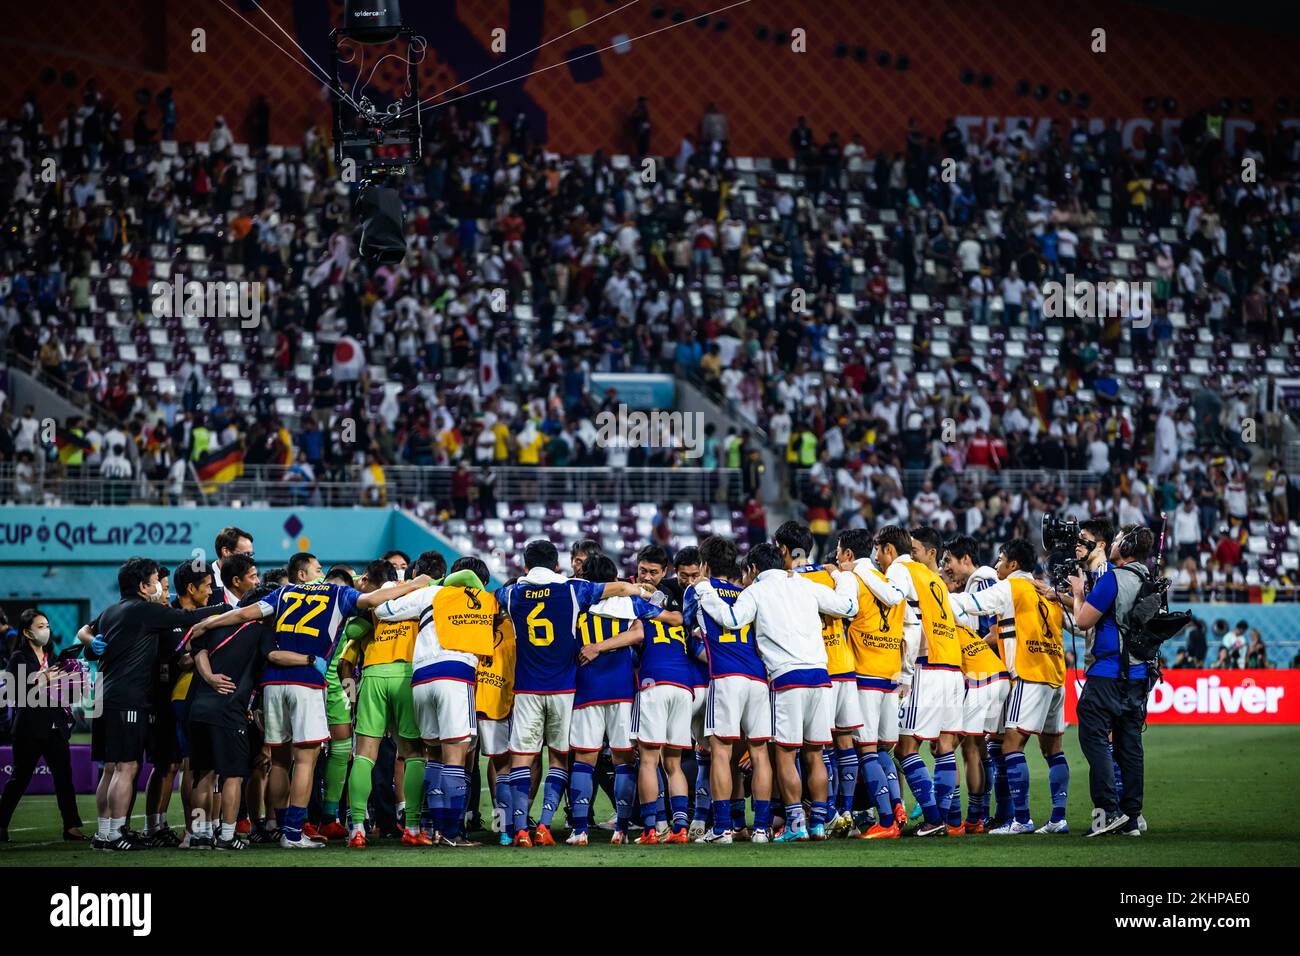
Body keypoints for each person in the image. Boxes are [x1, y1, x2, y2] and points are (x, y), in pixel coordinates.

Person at [186, 555, 432, 848]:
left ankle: (279, 826)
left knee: (279, 760)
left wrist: (208, 623)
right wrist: (416, 583)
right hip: (306, 680)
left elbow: (243, 614)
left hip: (273, 682)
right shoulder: (340, 594)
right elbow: (377, 598)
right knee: (306, 759)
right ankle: (293, 833)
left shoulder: (285, 591)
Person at [692, 541, 858, 842]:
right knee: (816, 754)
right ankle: (819, 823)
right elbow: (849, 607)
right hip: (821, 676)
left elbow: (732, 620)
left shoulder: (756, 590)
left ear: (754, 568)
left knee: (785, 754)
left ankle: (796, 823)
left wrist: (704, 590)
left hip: (787, 678)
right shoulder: (805, 585)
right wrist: (843, 575)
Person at [495, 539, 649, 847]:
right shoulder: (571, 589)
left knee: (520, 760)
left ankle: (516, 829)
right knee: (559, 760)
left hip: (526, 689)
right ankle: (544, 825)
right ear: (556, 566)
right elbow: (614, 589)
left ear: (525, 567)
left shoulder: (509, 594)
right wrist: (639, 590)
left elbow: (493, 602)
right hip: (565, 688)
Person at [78, 558, 223, 850]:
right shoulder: (146, 611)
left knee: (111, 768)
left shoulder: (111, 611)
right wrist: (228, 609)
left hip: (104, 696)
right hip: (128, 698)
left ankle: (105, 833)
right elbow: (188, 618)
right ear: (144, 586)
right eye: (157, 580)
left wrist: (89, 638)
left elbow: (85, 632)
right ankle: (117, 833)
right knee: (126, 768)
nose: (160, 586)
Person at [951, 538, 1068, 834]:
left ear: (1013, 564)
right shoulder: (1045, 592)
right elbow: (1078, 625)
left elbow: (973, 604)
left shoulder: (1011, 586)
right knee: (1053, 748)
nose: (996, 565)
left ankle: (1021, 819)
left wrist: (934, 596)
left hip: (1028, 674)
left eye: (1001, 559)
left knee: (1011, 745)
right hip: (1056, 676)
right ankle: (1058, 818)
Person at [1064, 524, 1156, 837]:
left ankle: (1107, 811)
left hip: (1107, 675)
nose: (1114, 543)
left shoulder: (1112, 578)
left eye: (1118, 539)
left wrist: (1077, 594)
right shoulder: (1149, 580)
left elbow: (1082, 620)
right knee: (1130, 747)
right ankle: (1133, 817)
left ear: (1126, 546)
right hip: (1139, 676)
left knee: (1094, 739)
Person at [687, 535, 774, 844]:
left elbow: (687, 629)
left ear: (705, 565)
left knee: (720, 753)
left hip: (725, 677)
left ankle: (721, 829)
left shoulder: (697, 591)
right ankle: (761, 829)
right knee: (760, 752)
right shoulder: (750, 593)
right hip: (757, 677)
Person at [186, 586, 279, 850]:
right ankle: (227, 836)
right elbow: (270, 659)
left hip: (198, 710)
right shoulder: (262, 633)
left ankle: (200, 834)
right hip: (228, 712)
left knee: (204, 775)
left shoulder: (215, 625)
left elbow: (197, 648)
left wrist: (209, 677)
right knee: (233, 776)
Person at [836, 529, 907, 839]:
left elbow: (845, 610)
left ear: (849, 555)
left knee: (865, 750)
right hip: (890, 674)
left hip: (864, 674)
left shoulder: (854, 578)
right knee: (882, 751)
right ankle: (897, 805)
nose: (837, 559)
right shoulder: (891, 580)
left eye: (839, 553)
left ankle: (887, 820)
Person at [0, 610, 86, 843]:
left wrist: (72, 675)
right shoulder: (19, 657)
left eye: (47, 625)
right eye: (40, 626)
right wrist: (48, 676)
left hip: (55, 726)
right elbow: (19, 689)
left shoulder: (53, 655)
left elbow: (64, 688)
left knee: (64, 778)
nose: (45, 630)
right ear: (28, 632)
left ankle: (71, 827)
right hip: (28, 727)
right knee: (20, 778)